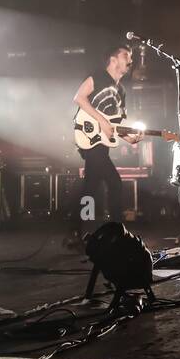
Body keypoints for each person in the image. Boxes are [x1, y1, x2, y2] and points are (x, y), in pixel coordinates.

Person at [69, 45, 138, 244]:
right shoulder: (97, 77)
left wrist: (129, 137)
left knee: (90, 187)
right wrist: (101, 121)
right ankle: (117, 232)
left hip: (103, 141)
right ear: (113, 59)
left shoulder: (121, 91)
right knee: (114, 182)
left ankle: (78, 229)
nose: (130, 59)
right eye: (126, 55)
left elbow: (117, 124)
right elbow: (79, 98)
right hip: (88, 136)